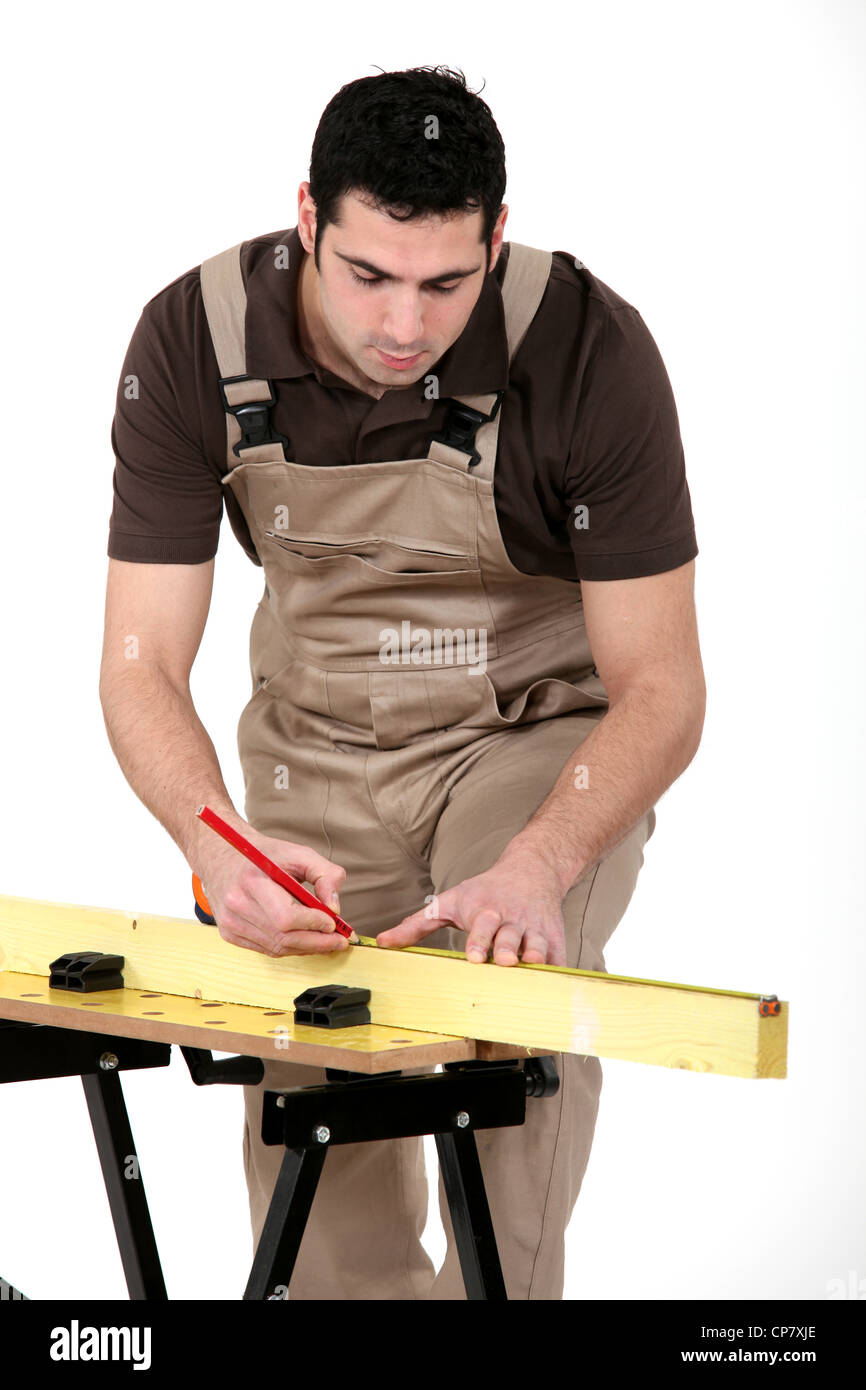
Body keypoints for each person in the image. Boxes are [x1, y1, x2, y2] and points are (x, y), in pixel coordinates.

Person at [99, 64, 706, 1300]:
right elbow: (140, 662)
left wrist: (539, 862)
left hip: (525, 745)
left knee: (511, 992)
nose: (400, 326)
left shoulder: (586, 347)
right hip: (309, 746)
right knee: (309, 1059)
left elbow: (661, 686)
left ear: (495, 235)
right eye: (366, 274)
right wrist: (219, 846)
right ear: (307, 219)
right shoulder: (195, 339)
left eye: (444, 284)